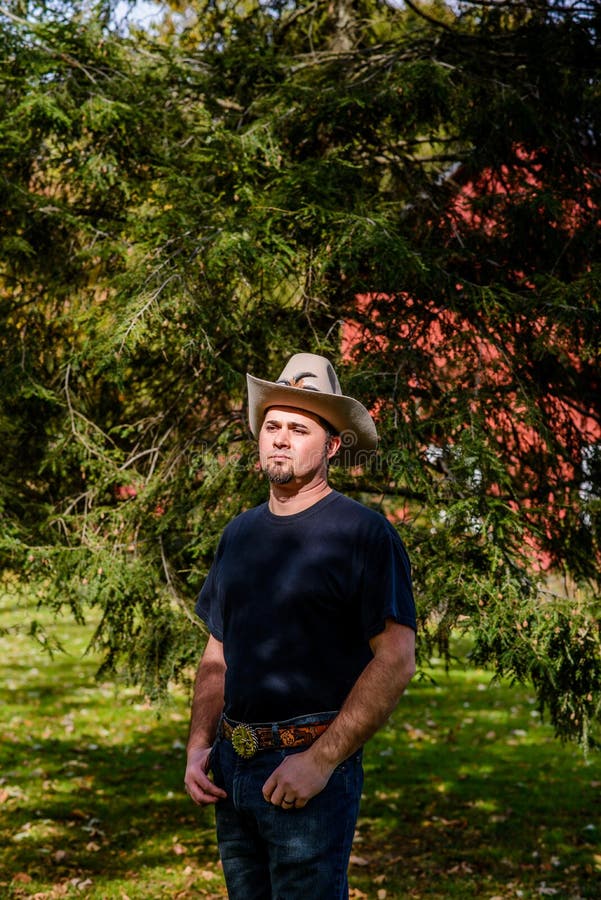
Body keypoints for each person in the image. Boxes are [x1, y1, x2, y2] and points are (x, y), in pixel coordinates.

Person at [184, 352, 417, 899]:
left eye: (298, 429)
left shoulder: (362, 534)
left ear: (332, 446)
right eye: (272, 427)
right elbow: (218, 654)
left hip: (308, 776)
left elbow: (396, 659)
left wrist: (320, 762)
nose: (280, 440)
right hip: (231, 770)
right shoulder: (239, 534)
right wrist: (198, 746)